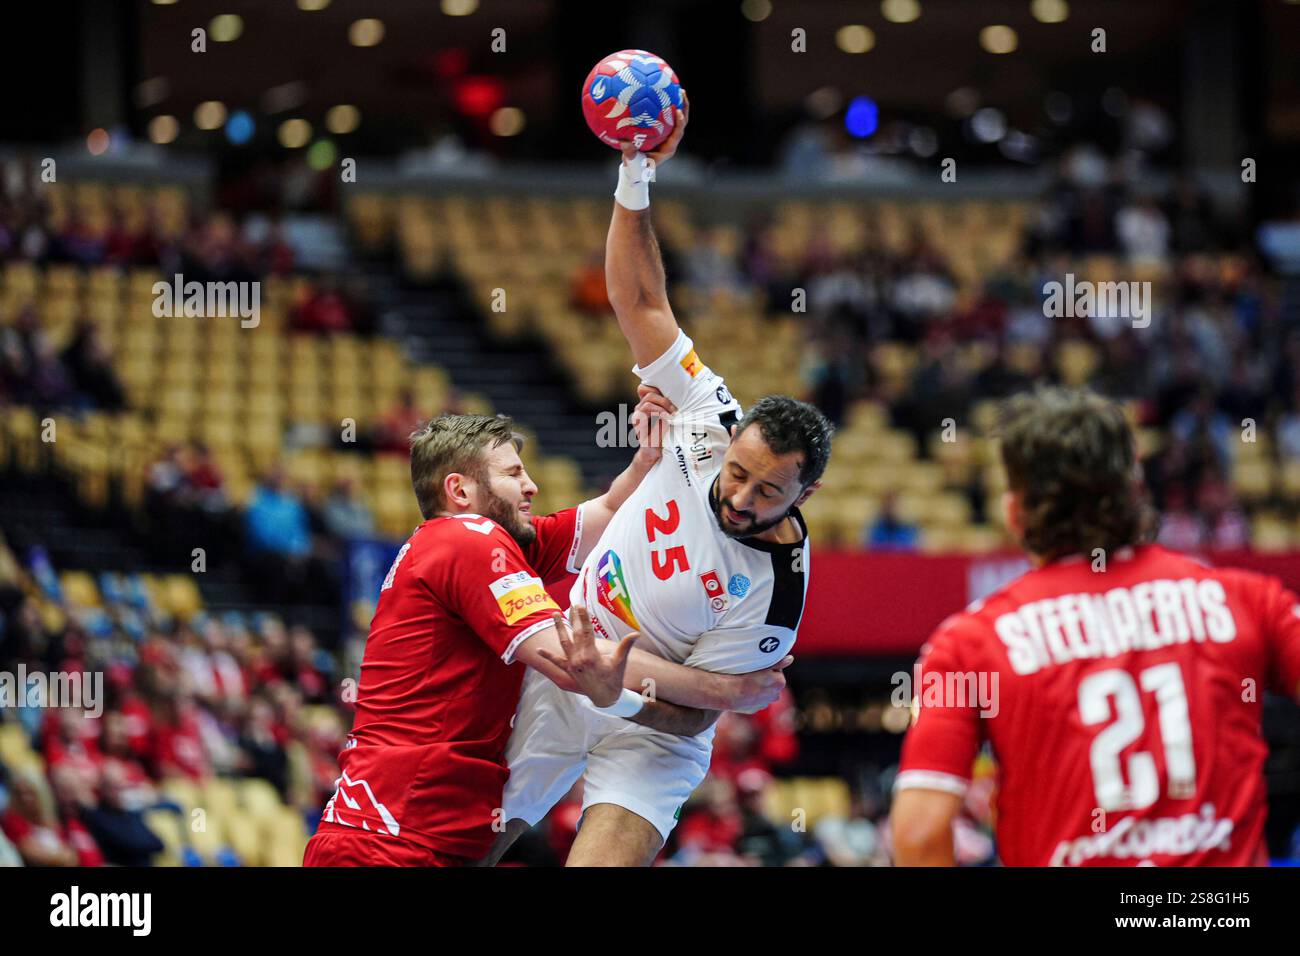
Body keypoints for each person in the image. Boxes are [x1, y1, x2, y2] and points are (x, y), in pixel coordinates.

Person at [491, 94, 834, 867]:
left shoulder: (777, 589)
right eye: (738, 473)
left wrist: (623, 688)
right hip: (568, 654)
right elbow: (641, 300)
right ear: (728, 442)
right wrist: (637, 169)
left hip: (649, 726)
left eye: (767, 494)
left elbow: (694, 713)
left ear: (802, 499)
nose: (741, 499)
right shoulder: (706, 414)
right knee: (468, 842)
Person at [304, 403, 788, 867]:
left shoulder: (488, 548)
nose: (531, 485)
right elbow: (573, 660)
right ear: (460, 490)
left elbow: (612, 510)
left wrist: (650, 456)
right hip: (391, 833)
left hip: (413, 829)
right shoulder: (467, 540)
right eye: (513, 474)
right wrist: (723, 690)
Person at [890, 387, 1300, 866]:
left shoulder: (969, 643)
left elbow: (918, 834)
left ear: (1015, 511)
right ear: (1137, 491)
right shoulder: (1248, 601)